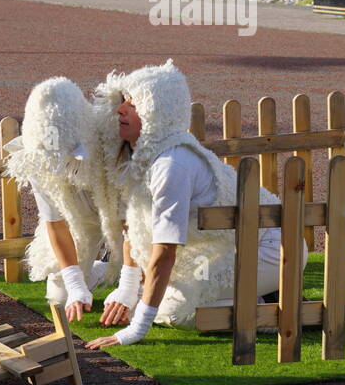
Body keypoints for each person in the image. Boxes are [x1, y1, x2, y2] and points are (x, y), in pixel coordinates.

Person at [85, 61, 303, 348]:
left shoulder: (171, 164)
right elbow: (134, 226)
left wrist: (135, 330)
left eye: (134, 105)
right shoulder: (142, 156)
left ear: (158, 113)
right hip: (230, 246)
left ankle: (271, 307)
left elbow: (164, 252)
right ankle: (259, 295)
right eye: (123, 101)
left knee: (174, 312)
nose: (120, 110)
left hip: (273, 250)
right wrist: (126, 290)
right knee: (148, 295)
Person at [4, 76, 122, 322]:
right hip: (79, 224)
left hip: (124, 223)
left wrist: (131, 287)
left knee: (162, 303)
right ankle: (101, 270)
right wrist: (75, 283)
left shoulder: (113, 140)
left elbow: (137, 221)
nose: (59, 167)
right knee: (60, 295)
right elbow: (55, 223)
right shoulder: (39, 159)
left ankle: (121, 267)